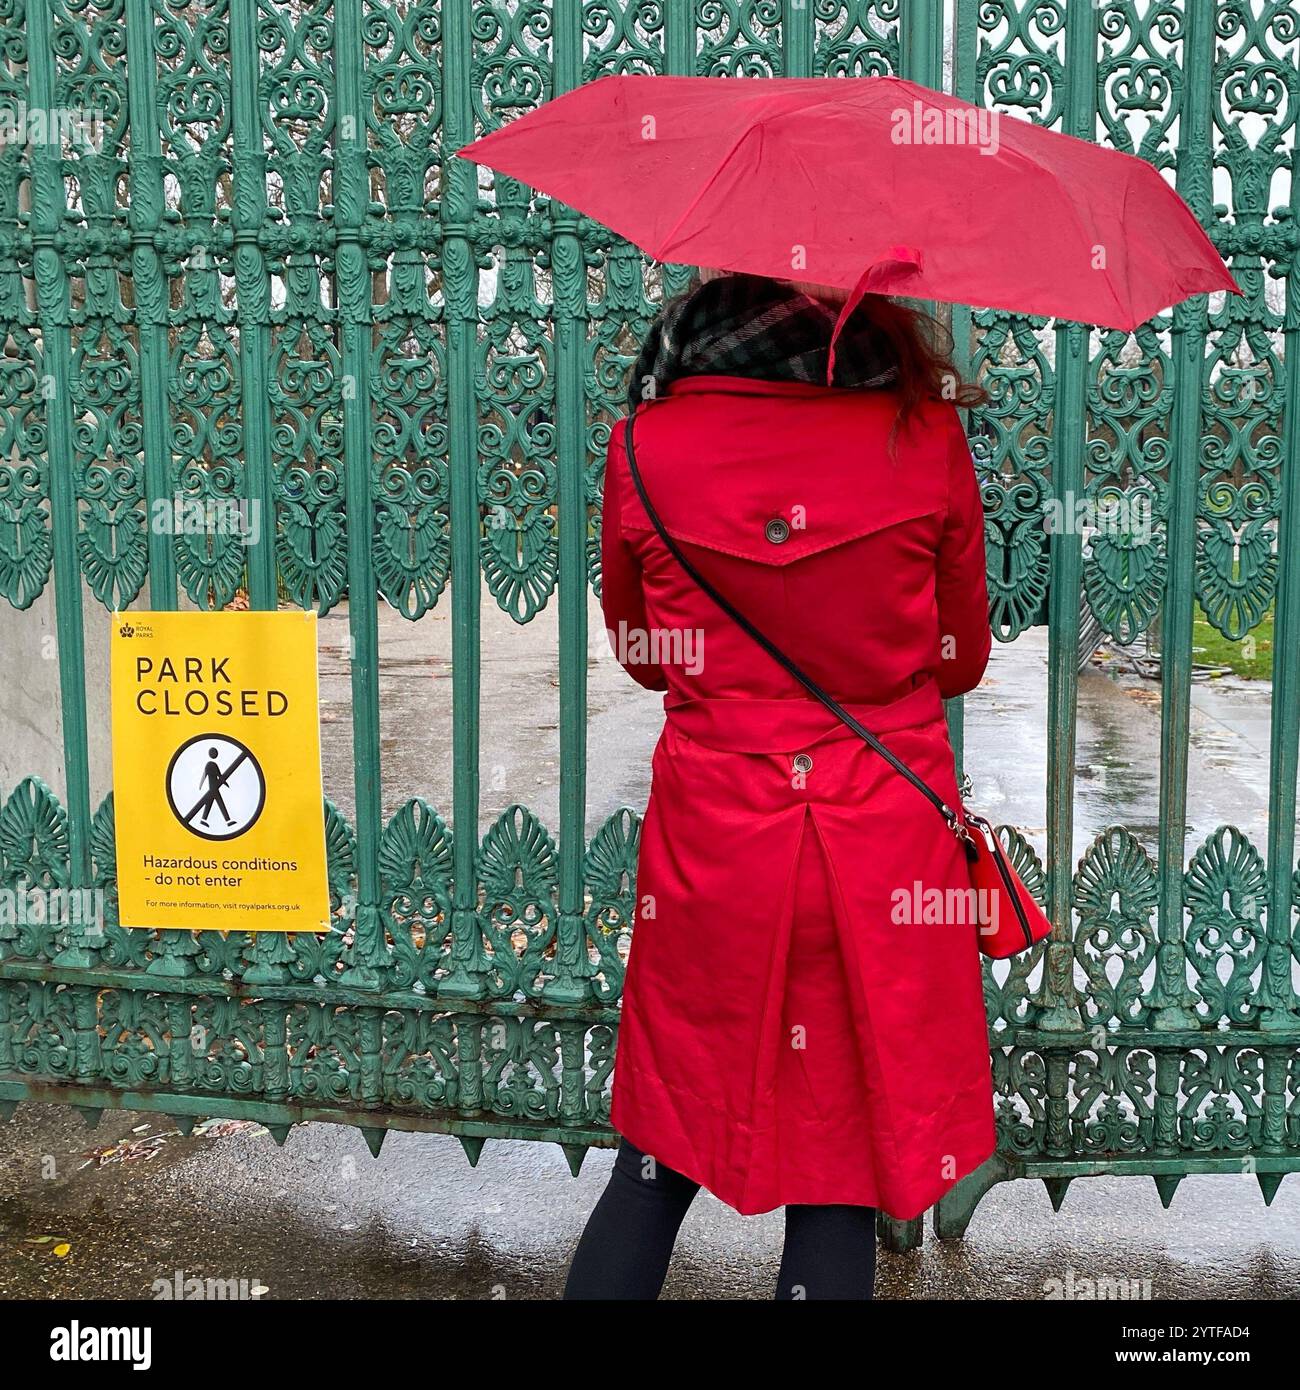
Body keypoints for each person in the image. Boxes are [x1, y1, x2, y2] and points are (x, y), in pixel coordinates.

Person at [563, 269, 995, 1301]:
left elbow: (637, 646)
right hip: (879, 843)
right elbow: (959, 655)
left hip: (714, 845)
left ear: (702, 331)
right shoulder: (922, 440)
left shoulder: (643, 449)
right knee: (837, 1176)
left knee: (659, 1154)